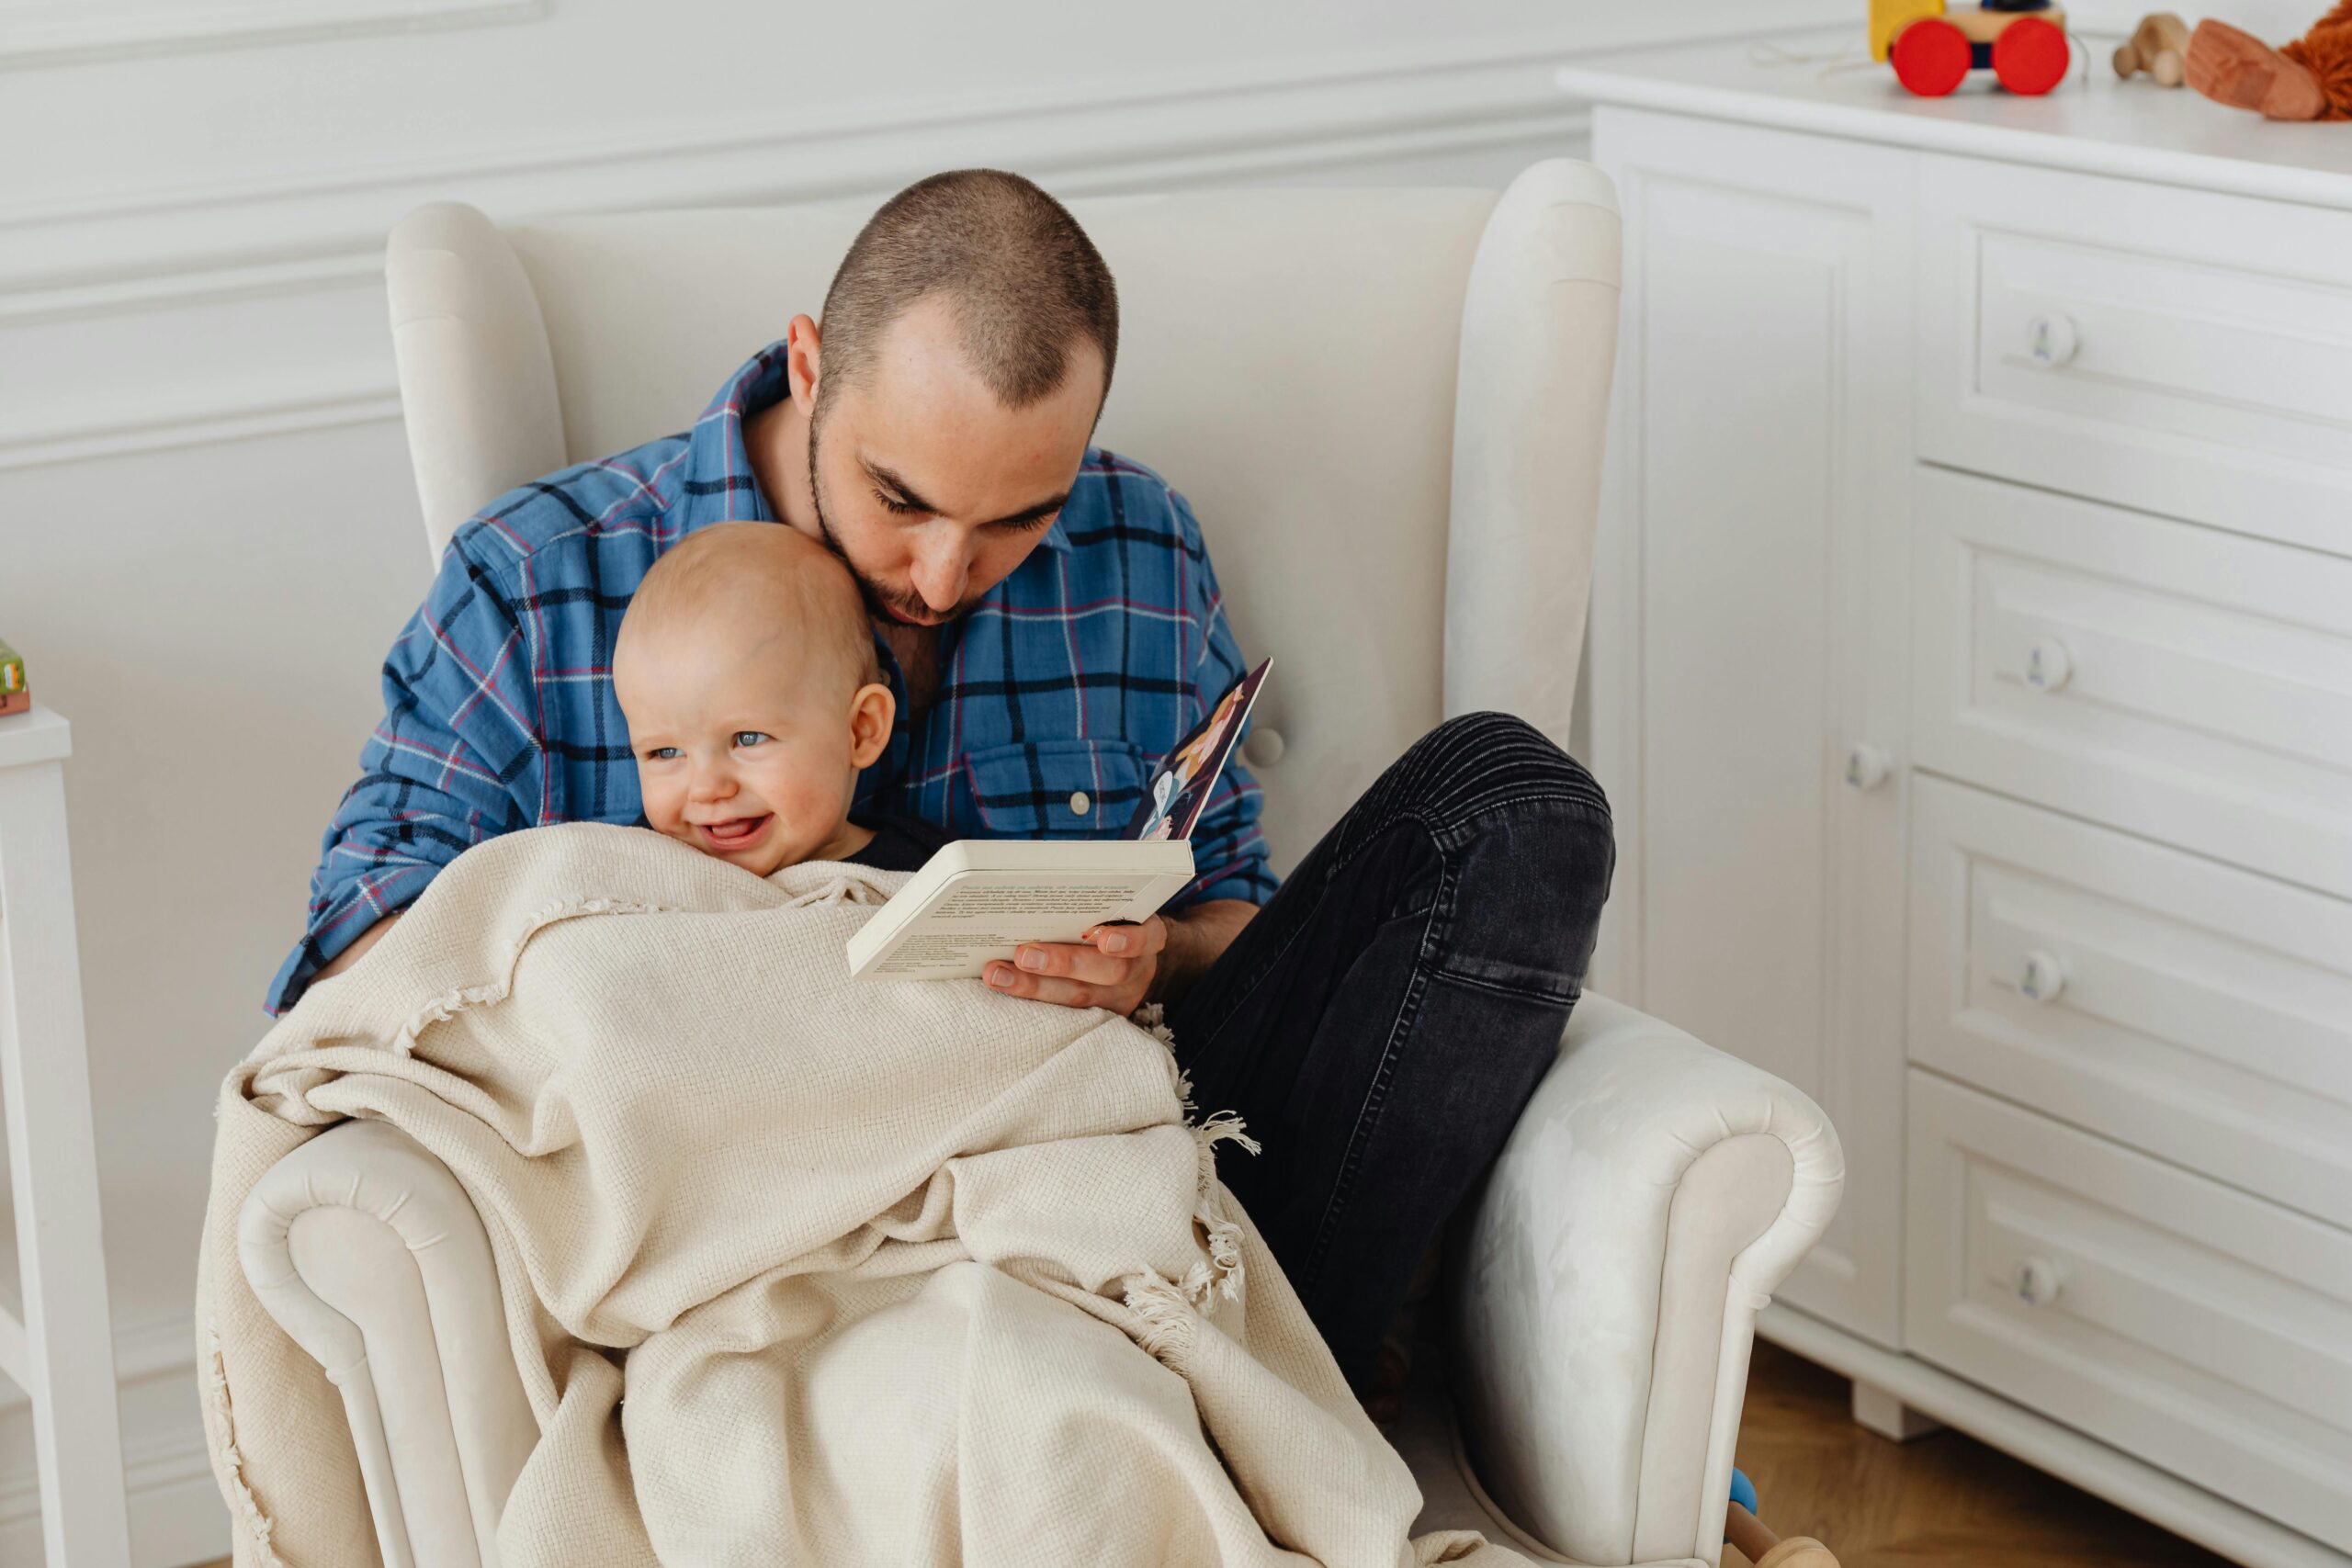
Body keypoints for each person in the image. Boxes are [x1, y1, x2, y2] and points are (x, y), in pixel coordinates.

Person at [275, 167, 1612, 1417]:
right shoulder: (538, 580)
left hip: (1110, 1169)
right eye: (899, 498)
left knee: (1512, 803)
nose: (942, 574)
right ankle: (1240, 1404)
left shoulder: (1138, 547)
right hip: (764, 1224)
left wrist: (1157, 954)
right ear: (810, 366)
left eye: (1019, 518)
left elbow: (1241, 919)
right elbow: (358, 955)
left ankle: (1236, 1373)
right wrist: (689, 972)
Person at [613, 521, 951, 877]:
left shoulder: (933, 870)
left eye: (748, 738)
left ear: (860, 729)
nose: (706, 789)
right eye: (665, 752)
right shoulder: (635, 867)